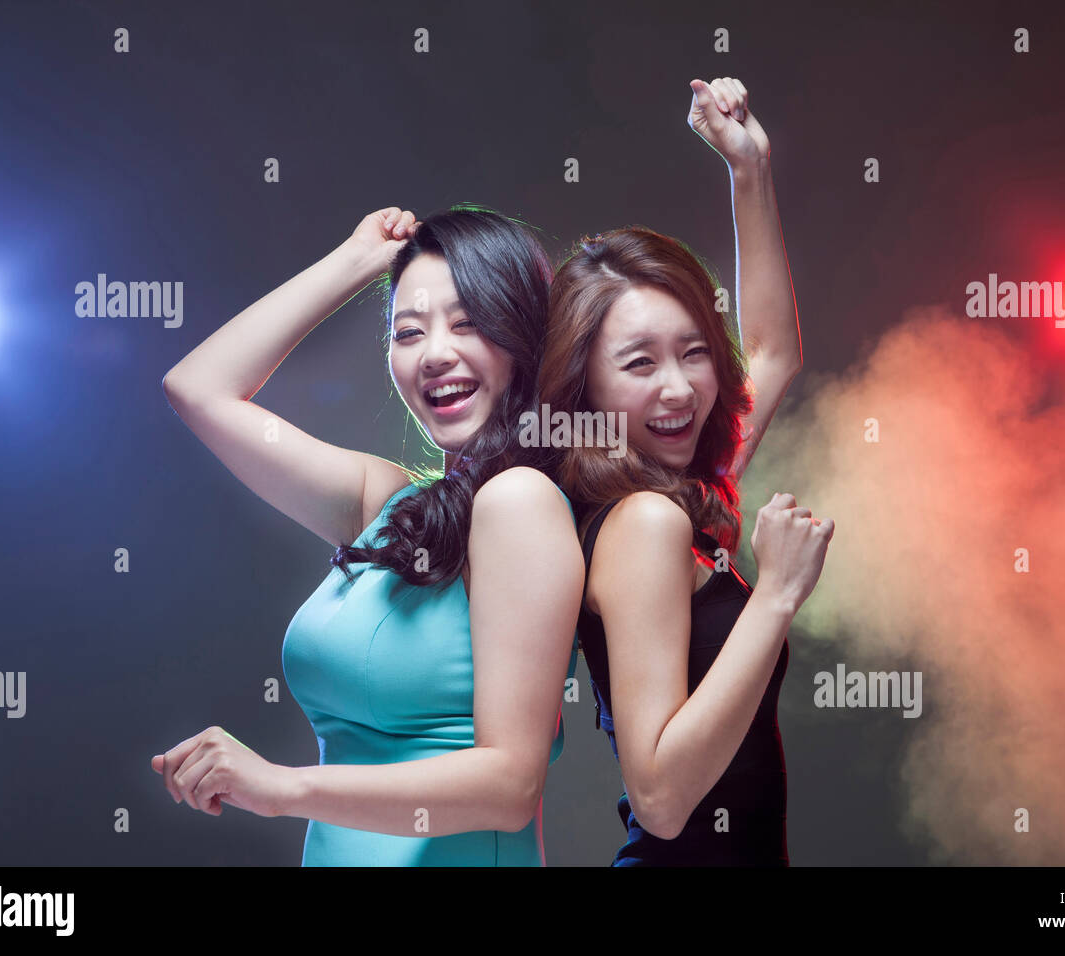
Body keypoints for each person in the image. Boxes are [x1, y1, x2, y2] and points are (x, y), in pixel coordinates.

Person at [150, 204, 584, 865]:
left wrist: (282, 787)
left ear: (525, 339)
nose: (435, 354)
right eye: (408, 333)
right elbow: (198, 389)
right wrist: (356, 262)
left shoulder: (522, 503)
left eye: (468, 324)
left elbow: (511, 786)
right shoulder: (389, 504)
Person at [537, 78, 833, 865]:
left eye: (694, 350)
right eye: (639, 362)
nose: (679, 387)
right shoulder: (645, 522)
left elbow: (773, 351)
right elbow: (664, 802)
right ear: (585, 385)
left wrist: (748, 168)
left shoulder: (684, 487)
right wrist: (775, 594)